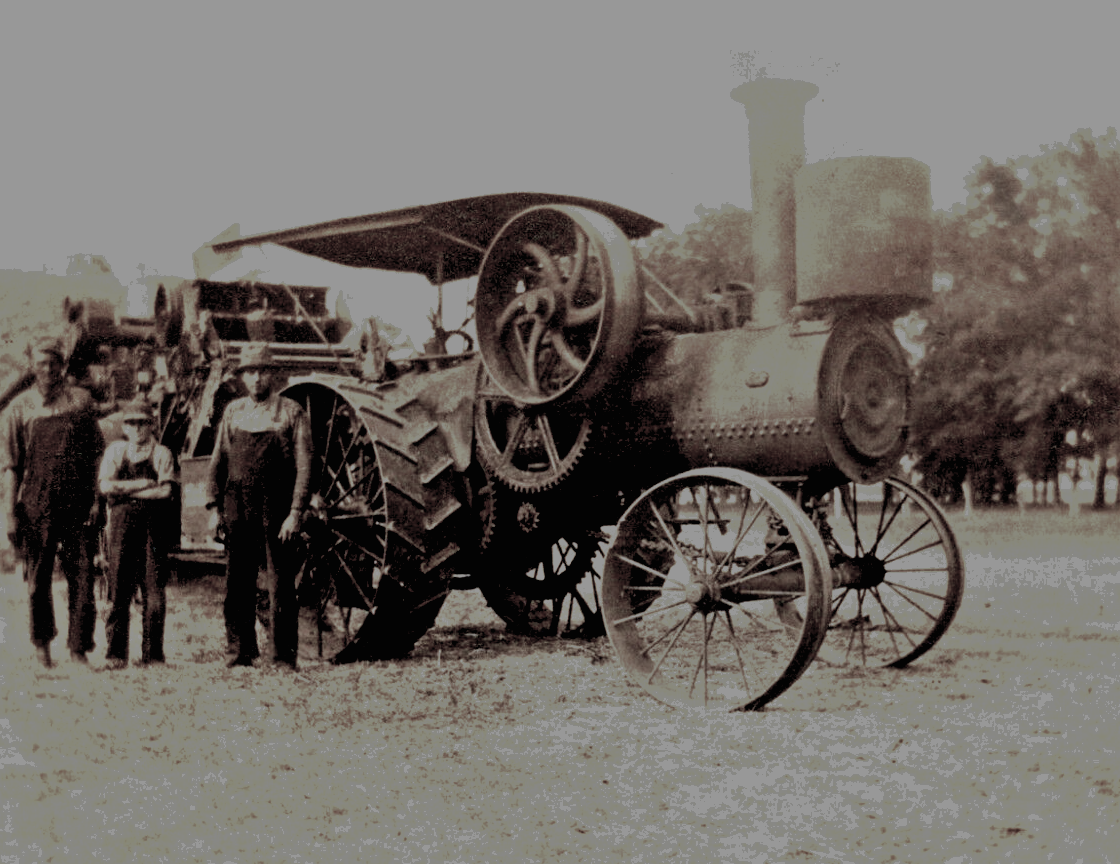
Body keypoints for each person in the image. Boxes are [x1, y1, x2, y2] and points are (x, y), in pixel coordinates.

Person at [0, 336, 104, 668]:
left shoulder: (81, 402)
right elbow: (10, 466)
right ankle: (41, 645)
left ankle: (78, 649)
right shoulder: (19, 408)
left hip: (78, 500)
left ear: (64, 365)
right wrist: (10, 515)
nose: (49, 369)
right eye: (42, 363)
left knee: (83, 575)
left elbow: (96, 456)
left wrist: (96, 499)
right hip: (36, 502)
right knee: (38, 577)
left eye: (55, 362)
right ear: (33, 366)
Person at [206, 343, 311, 669]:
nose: (256, 378)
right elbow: (217, 462)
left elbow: (305, 466)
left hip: (275, 509)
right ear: (243, 377)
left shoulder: (291, 412)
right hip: (237, 505)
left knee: (280, 584)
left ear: (273, 374)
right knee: (237, 581)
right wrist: (213, 508)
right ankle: (239, 652)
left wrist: (295, 513)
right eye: (250, 372)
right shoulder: (233, 412)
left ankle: (281, 656)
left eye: (262, 371)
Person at [98, 398, 178, 668]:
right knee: (119, 590)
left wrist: (126, 489)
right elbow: (105, 487)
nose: (137, 429)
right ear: (125, 427)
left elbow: (166, 491)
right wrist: (144, 484)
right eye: (131, 423)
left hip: (153, 530)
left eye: (142, 423)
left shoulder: (162, 453)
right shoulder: (116, 451)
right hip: (121, 529)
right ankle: (115, 654)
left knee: (154, 593)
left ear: (151, 425)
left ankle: (153, 654)